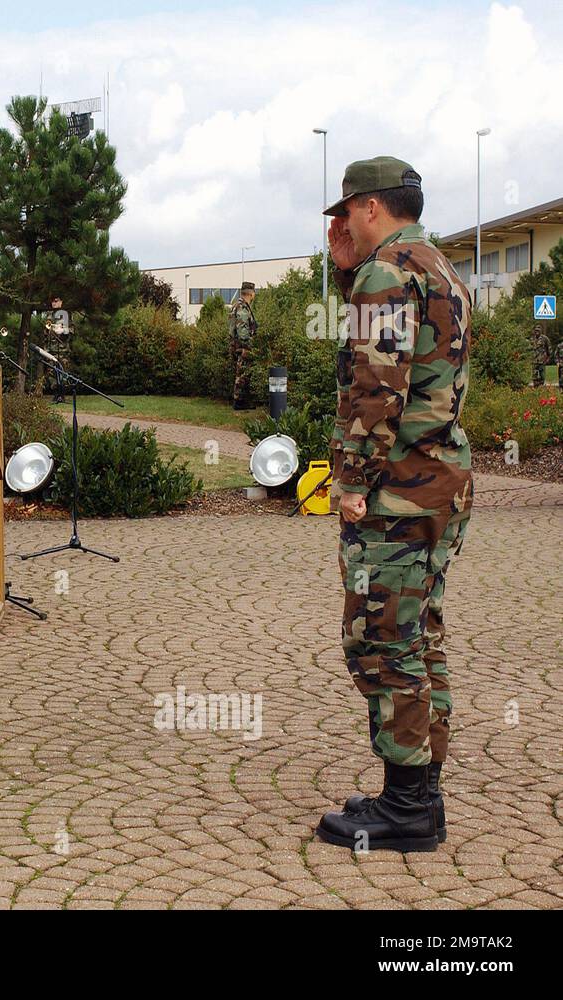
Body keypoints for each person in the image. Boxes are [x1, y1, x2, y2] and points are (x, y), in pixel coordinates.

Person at [315, 157, 474, 853]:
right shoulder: (440, 268)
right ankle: (421, 797)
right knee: (418, 635)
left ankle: (406, 812)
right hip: (440, 485)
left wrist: (351, 484)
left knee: (380, 642)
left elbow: (380, 391)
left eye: (344, 213)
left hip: (398, 492)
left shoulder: (386, 275)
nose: (340, 226)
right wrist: (351, 268)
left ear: (370, 208)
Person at [228, 282, 257, 409]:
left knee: (242, 372)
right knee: (243, 373)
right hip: (243, 345)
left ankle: (241, 401)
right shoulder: (242, 308)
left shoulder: (237, 305)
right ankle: (239, 402)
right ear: (251, 294)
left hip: (236, 344)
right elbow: (242, 331)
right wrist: (251, 343)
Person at [42, 297, 72, 403]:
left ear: (61, 302)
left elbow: (71, 330)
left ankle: (62, 395)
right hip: (50, 350)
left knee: (63, 372)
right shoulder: (48, 314)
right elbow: (45, 332)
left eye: (56, 301)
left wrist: (63, 330)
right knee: (51, 373)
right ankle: (55, 395)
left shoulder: (65, 314)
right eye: (52, 301)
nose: (53, 303)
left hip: (62, 349)